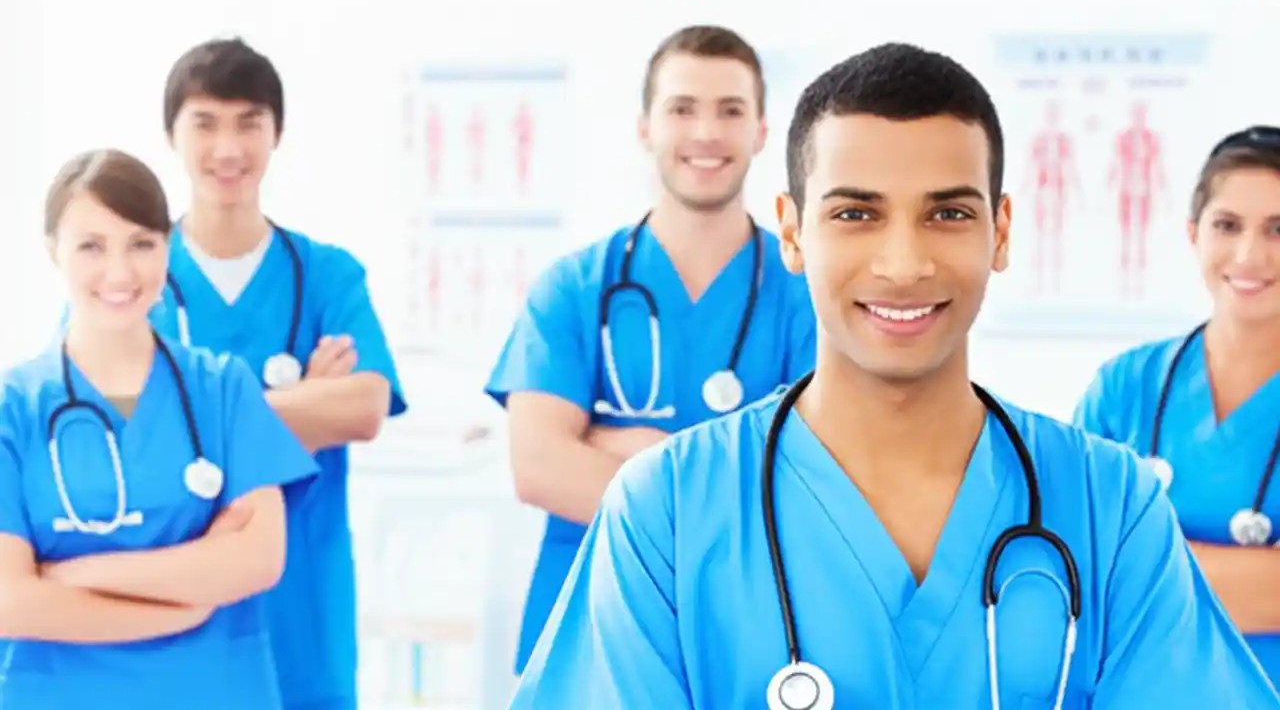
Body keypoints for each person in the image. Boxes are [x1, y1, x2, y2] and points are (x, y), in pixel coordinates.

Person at [507, 44, 1280, 709]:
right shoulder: (666, 511)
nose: (905, 264)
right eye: (855, 214)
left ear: (1000, 231)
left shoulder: (1110, 508)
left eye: (947, 215)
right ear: (792, 229)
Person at [485, 24, 817, 675]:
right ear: (645, 127)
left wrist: (633, 453)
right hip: (587, 618)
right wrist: (723, 480)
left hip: (741, 631)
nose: (705, 133)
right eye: (682, 108)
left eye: (730, 110)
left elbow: (812, 488)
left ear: (760, 130)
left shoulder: (803, 296)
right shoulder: (575, 288)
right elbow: (540, 467)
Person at [0, 149, 319, 707]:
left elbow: (258, 560)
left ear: (166, 250)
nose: (120, 273)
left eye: (141, 244)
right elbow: (10, 601)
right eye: (91, 246)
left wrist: (75, 574)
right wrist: (189, 602)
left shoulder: (222, 389)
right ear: (54, 252)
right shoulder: (14, 408)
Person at [149, 38, 408, 710]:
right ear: (171, 133)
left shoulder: (326, 275)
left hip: (299, 602)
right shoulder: (133, 279)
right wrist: (296, 405)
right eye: (205, 124)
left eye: (248, 123)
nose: (228, 149)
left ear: (277, 134)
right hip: (171, 597)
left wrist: (191, 420)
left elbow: (364, 406)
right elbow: (109, 424)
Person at [1075, 124, 1280, 685]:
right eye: (1227, 225)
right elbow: (1076, 568)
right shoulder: (1126, 387)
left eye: (1278, 229)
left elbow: (1115, 573)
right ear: (1193, 234)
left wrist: (1139, 561)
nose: (1249, 254)